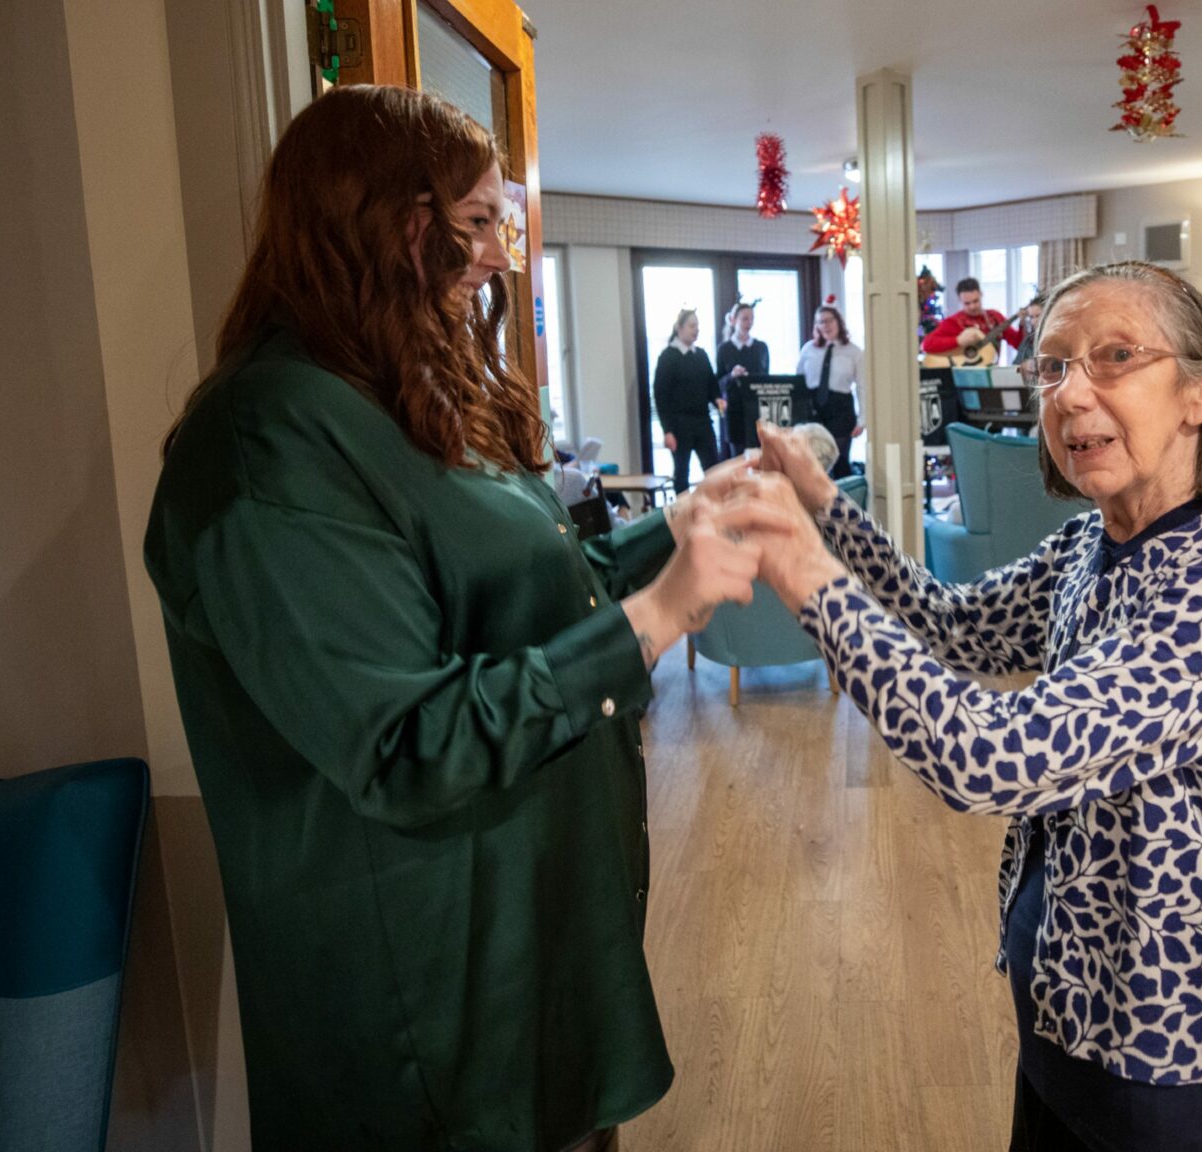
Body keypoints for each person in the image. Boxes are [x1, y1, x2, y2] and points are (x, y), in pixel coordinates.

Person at [143, 85, 764, 1152]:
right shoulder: (267, 445)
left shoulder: (400, 393)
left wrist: (689, 518)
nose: (495, 258)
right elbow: (404, 743)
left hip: (531, 932)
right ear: (387, 223)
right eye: (475, 225)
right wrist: (654, 622)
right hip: (426, 987)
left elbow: (533, 591)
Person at [737, 260, 1202, 1152]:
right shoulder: (1094, 544)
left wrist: (807, 579)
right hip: (1064, 1017)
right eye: (1053, 365)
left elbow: (994, 759)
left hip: (1173, 1069)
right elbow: (953, 628)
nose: (1069, 393)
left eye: (1113, 357)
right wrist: (824, 505)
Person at [653, 308, 724, 492]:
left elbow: (711, 383)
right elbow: (661, 396)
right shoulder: (668, 357)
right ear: (679, 327)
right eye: (692, 326)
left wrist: (717, 399)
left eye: (698, 326)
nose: (696, 330)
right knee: (682, 472)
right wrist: (667, 430)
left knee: (713, 469)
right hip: (679, 424)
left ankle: (714, 510)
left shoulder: (700, 355)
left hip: (702, 420)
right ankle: (683, 514)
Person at [794, 302, 865, 480]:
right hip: (813, 411)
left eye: (828, 321)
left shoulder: (854, 352)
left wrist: (863, 419)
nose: (825, 326)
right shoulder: (808, 349)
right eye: (820, 322)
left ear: (838, 322)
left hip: (840, 409)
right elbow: (798, 383)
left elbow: (862, 387)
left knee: (839, 462)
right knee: (811, 464)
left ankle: (844, 506)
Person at [920, 276, 1029, 363]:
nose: (972, 306)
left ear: (981, 294)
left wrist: (1022, 324)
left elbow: (1018, 344)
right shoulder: (953, 322)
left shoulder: (995, 317)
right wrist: (957, 341)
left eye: (976, 301)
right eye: (967, 303)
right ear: (959, 300)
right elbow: (927, 344)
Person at [715, 298, 769, 457]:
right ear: (733, 320)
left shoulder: (761, 347)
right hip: (735, 411)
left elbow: (766, 378)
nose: (749, 322)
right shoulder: (724, 349)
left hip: (758, 411)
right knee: (738, 459)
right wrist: (732, 375)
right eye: (745, 318)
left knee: (760, 458)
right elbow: (718, 383)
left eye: (752, 319)